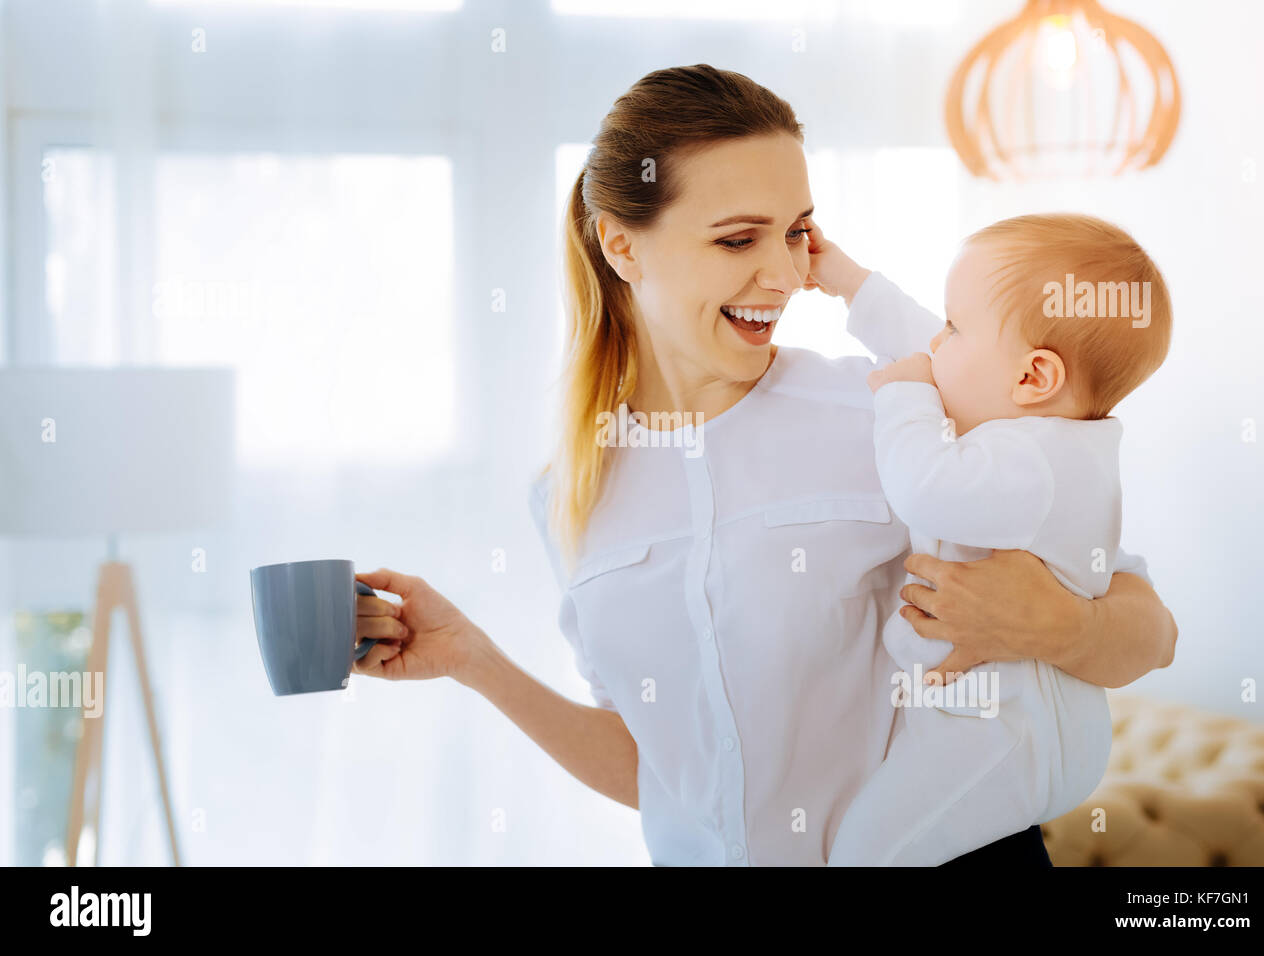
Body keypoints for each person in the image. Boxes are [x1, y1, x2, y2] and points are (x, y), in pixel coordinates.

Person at [351, 65, 1178, 866]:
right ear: (622, 246)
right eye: (738, 239)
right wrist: (473, 660)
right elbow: (662, 771)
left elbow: (1150, 631)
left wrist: (1059, 626)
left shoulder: (898, 410)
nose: (784, 276)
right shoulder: (570, 494)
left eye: (794, 234)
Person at [805, 213, 1172, 864]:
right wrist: (849, 282)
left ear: (1033, 378)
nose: (935, 342)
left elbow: (922, 485)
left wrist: (904, 397)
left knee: (865, 854)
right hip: (1018, 725)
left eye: (954, 326)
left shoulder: (1031, 463)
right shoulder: (1043, 434)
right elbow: (934, 346)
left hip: (1001, 732)